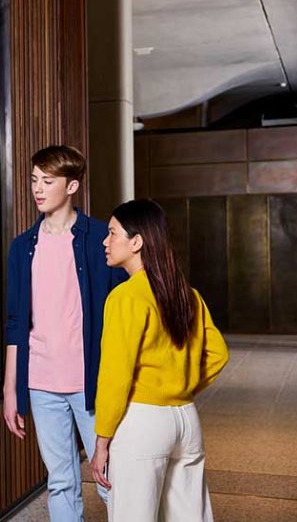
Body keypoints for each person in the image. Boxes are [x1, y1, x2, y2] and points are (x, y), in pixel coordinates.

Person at [3, 145, 127, 521]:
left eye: (48, 181)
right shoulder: (23, 247)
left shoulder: (99, 239)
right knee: (59, 481)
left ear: (72, 186)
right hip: (41, 383)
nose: (38, 189)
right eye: (34, 180)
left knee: (111, 480)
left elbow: (125, 309)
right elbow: (15, 323)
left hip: (91, 381)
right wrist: (11, 389)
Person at [90, 199, 229, 522]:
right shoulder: (186, 293)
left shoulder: (125, 297)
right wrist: (180, 384)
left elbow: (115, 376)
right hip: (186, 419)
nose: (105, 241)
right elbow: (219, 354)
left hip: (142, 422)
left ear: (136, 242)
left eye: (112, 233)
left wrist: (102, 443)